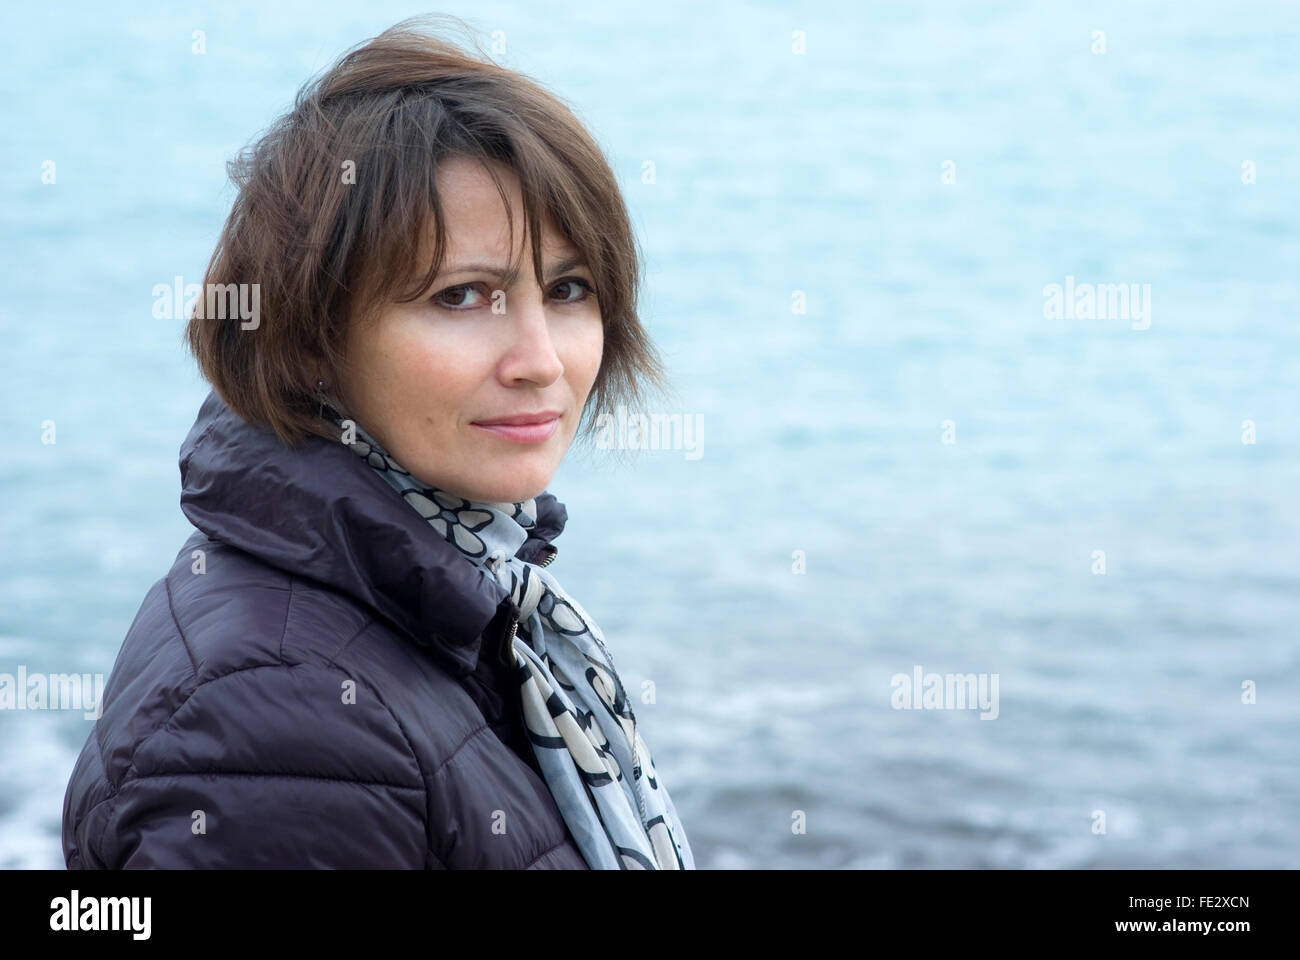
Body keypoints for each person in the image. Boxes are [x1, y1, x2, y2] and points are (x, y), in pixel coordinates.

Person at [61, 16, 695, 870]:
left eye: (569, 288)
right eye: (464, 296)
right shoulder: (278, 717)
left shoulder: (469, 604)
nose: (541, 361)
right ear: (312, 338)